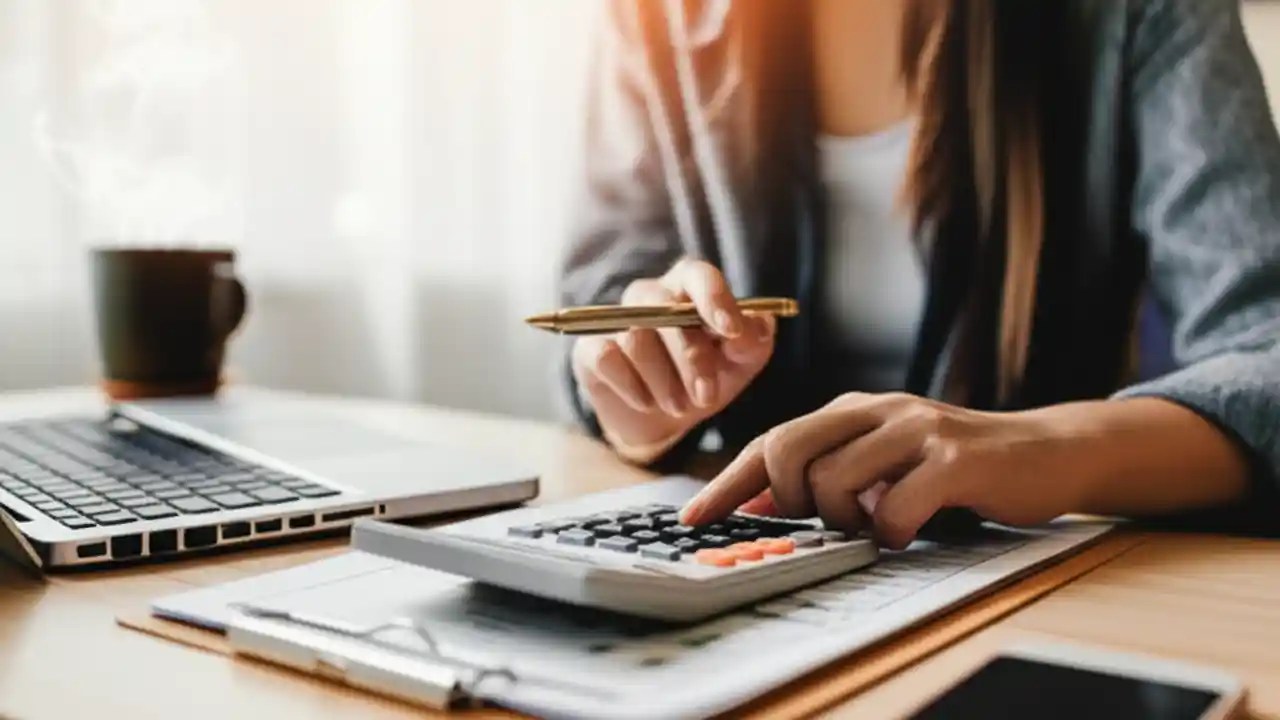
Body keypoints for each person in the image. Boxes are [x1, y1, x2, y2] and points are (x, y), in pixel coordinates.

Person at [560, 0, 1280, 548]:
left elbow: (1268, 359)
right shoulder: (656, 15)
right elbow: (600, 300)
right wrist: (639, 395)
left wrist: (1050, 446)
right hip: (760, 550)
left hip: (1038, 565)